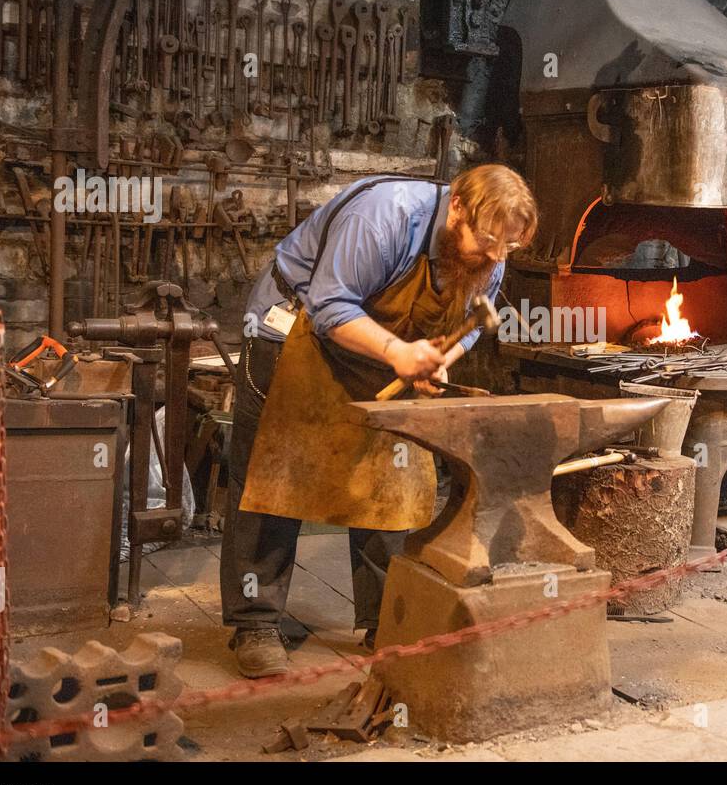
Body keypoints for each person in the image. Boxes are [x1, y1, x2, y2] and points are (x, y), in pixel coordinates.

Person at [221, 165, 537, 678]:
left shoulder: (489, 251)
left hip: (387, 351)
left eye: (511, 247)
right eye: (488, 241)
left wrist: (439, 360)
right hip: (298, 329)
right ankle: (254, 623)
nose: (498, 256)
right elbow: (329, 304)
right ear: (456, 206)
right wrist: (397, 352)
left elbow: (470, 324)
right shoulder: (384, 218)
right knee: (274, 476)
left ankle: (384, 619)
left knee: (392, 480)